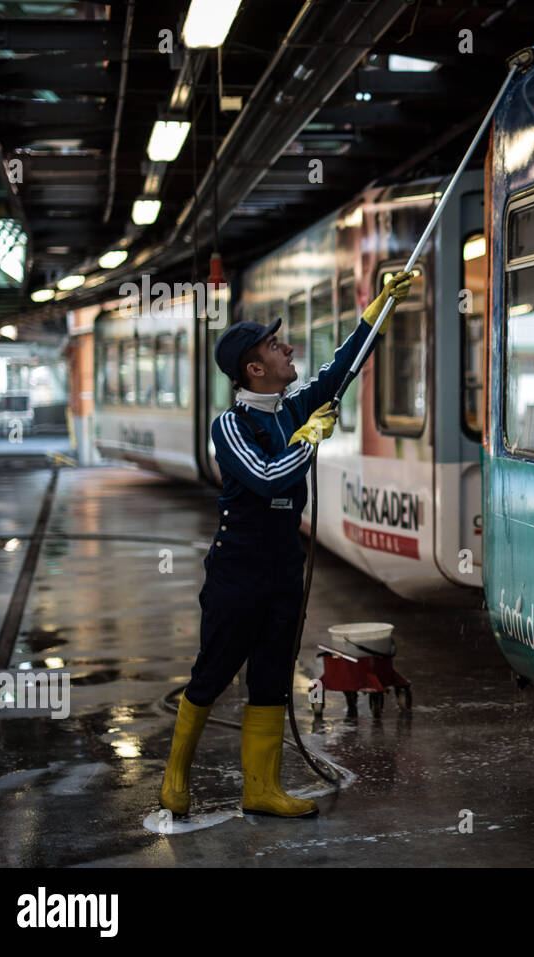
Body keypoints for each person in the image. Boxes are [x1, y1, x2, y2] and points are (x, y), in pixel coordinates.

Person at [159, 271, 414, 819]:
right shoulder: (229, 426)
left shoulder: (292, 408)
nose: (289, 348)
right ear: (254, 368)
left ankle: (262, 789)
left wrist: (377, 311)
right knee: (214, 670)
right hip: (238, 568)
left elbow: (339, 371)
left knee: (272, 674)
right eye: (276, 346)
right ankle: (175, 773)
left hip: (282, 568)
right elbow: (269, 477)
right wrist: (308, 440)